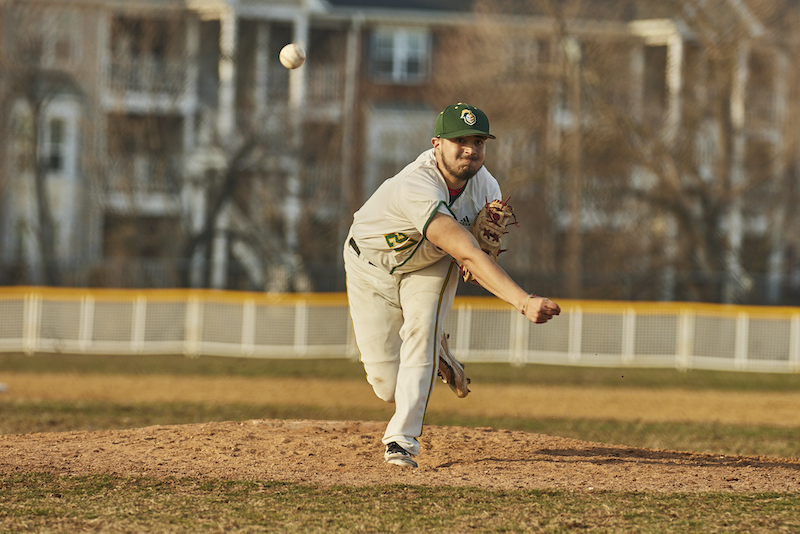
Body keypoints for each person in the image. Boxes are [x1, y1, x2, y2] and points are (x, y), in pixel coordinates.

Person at [343, 102, 561, 468]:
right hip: (370, 267)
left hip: (430, 264)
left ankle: (401, 441)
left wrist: (478, 258)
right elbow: (469, 251)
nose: (470, 149)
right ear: (436, 144)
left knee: (421, 332)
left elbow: (478, 256)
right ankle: (437, 355)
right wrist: (524, 302)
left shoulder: (487, 187)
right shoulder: (417, 184)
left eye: (478, 141)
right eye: (459, 140)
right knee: (385, 384)